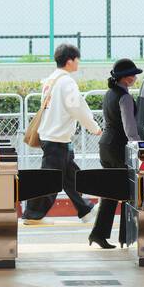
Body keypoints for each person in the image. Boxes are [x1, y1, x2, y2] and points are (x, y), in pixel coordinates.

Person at [22, 43, 99, 224]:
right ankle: (32, 215)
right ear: (70, 61)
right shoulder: (67, 82)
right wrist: (94, 127)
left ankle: (85, 209)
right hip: (57, 138)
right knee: (50, 180)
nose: (78, 63)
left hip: (52, 137)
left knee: (70, 177)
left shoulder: (51, 80)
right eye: (77, 59)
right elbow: (77, 107)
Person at [89, 58, 142, 249]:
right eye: (133, 74)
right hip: (119, 147)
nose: (135, 77)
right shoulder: (125, 97)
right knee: (127, 192)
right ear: (126, 78)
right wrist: (138, 148)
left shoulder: (109, 93)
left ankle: (99, 234)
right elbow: (130, 128)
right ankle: (125, 236)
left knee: (110, 192)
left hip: (105, 145)